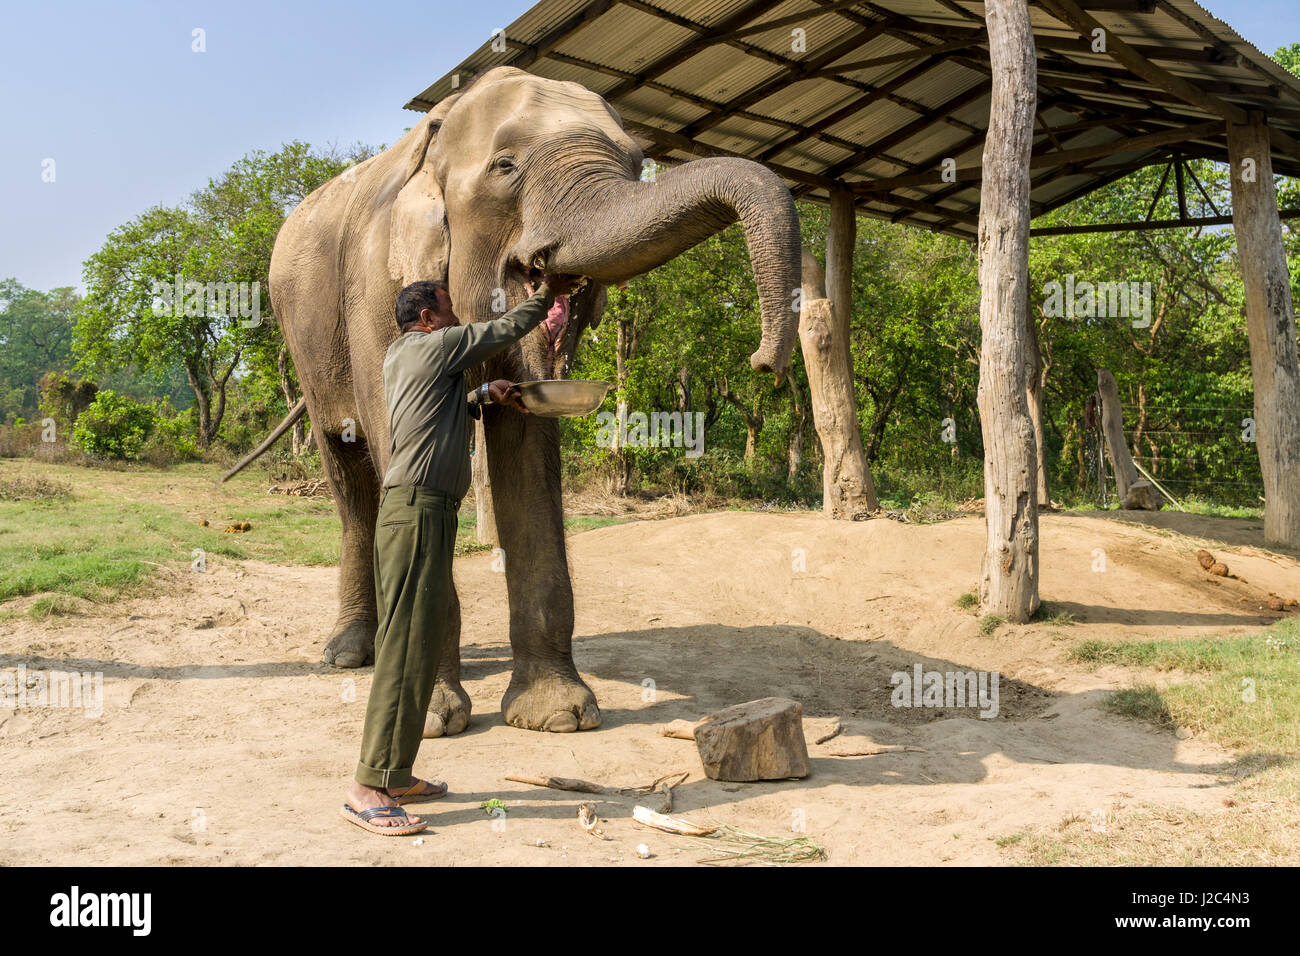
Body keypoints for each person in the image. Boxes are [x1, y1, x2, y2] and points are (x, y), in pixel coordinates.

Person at [340, 273, 578, 836]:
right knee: (401, 647)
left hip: (426, 511)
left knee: (423, 641)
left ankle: (395, 774)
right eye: (446, 310)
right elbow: (504, 329)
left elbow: (434, 412)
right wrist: (548, 296)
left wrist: (479, 396)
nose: (452, 318)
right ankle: (366, 789)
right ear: (427, 318)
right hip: (415, 511)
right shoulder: (434, 344)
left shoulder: (406, 356)